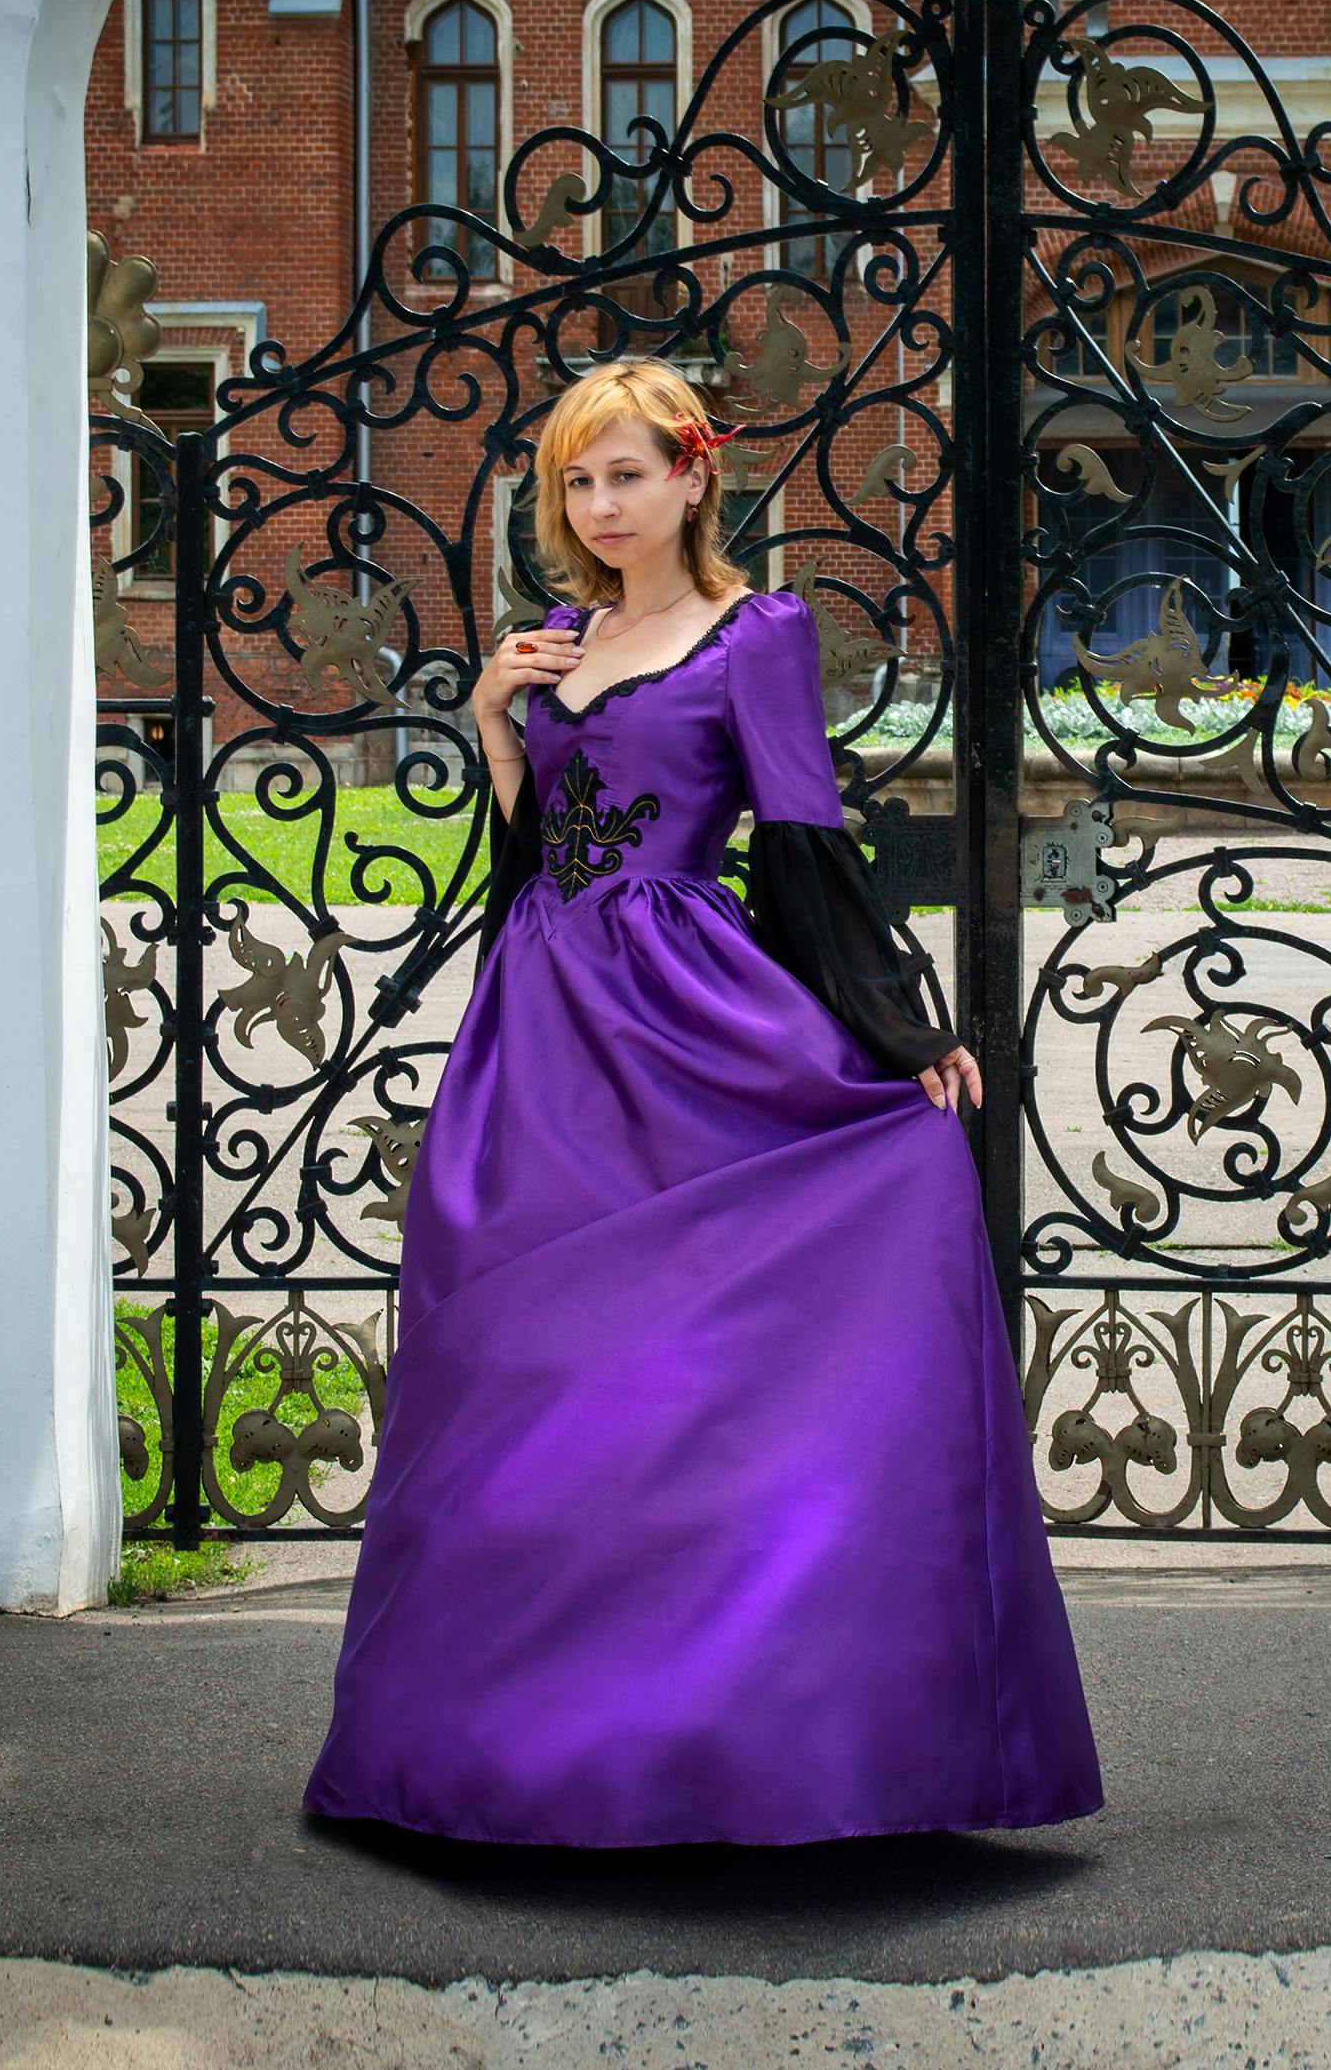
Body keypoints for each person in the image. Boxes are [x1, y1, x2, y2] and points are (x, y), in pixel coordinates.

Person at [302, 356, 1104, 1846]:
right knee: (523, 1357)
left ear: (692, 475)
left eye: (626, 473)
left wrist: (894, 1024)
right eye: (577, 482)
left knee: (685, 1360)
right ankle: (508, 1744)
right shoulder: (554, 640)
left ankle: (730, 1728)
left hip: (680, 1014)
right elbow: (543, 849)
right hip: (538, 1027)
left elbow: (804, 842)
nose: (601, 506)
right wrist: (493, 726)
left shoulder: (755, 634)